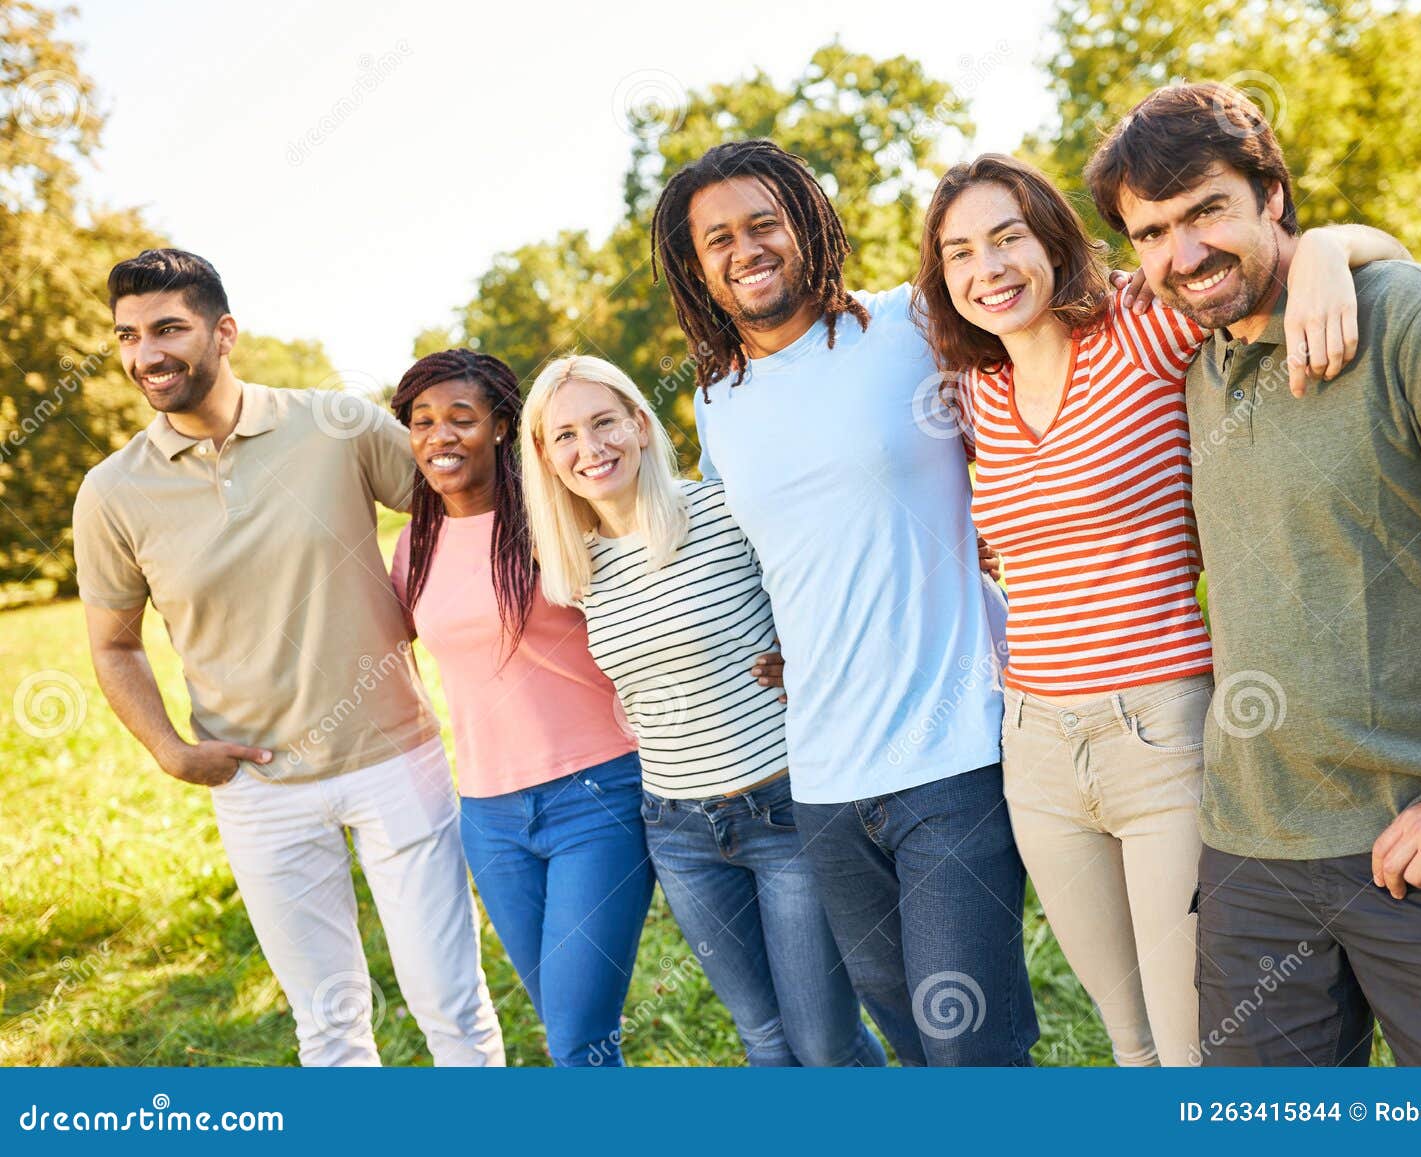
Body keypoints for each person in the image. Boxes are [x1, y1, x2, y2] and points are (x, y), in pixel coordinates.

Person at [1086, 81, 1421, 1066]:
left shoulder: (1407, 314)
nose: (1182, 253)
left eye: (1206, 210)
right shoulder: (1189, 365)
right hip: (1252, 861)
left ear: (1272, 195)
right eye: (1151, 232)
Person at [912, 153, 1406, 1065]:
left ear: (1054, 240)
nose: (989, 268)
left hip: (1162, 730)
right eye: (960, 252)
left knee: (1191, 1044)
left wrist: (1330, 249)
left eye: (1009, 236)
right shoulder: (969, 392)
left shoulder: (1140, 328)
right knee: (1129, 1040)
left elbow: (1278, 264)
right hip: (1034, 746)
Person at [651, 140, 1034, 1065]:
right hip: (822, 776)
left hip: (952, 752)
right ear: (695, 268)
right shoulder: (715, 400)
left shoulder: (914, 323)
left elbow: (1072, 359)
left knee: (970, 1044)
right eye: (717, 240)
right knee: (908, 1037)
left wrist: (1326, 260)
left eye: (762, 223)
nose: (745, 249)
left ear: (806, 224)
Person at [73, 249, 503, 1066]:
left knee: (453, 1008)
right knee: (329, 1029)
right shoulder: (111, 492)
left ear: (224, 331)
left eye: (168, 328)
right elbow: (114, 642)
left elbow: (467, 503)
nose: (146, 354)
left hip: (395, 759)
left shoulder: (334, 424)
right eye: (127, 336)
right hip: (256, 786)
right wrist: (170, 749)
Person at [520, 354, 886, 1067]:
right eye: (565, 434)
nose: (590, 448)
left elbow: (821, 588)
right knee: (765, 1040)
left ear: (640, 423)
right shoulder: (577, 569)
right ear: (545, 454)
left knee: (824, 1040)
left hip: (784, 808)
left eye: (603, 422)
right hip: (679, 829)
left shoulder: (722, 512)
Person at [386, 349, 651, 1067]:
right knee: (579, 1039)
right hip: (490, 819)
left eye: (460, 418)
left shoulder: (557, 518)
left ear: (503, 427)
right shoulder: (414, 545)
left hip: (596, 796)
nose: (440, 435)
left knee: (575, 1037)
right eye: (422, 421)